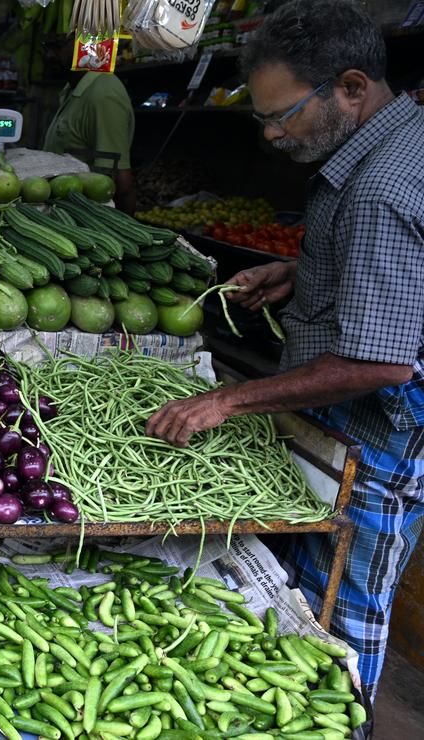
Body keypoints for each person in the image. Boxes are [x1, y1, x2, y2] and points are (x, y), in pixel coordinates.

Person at [144, 0, 424, 700]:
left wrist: (227, 398)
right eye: (260, 118)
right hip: (356, 425)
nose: (269, 135)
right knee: (301, 606)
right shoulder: (394, 144)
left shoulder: (382, 187)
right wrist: (303, 270)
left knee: (342, 621)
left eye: (281, 114)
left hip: (378, 440)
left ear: (352, 87)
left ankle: (340, 717)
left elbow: (381, 362)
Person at [41, 36, 137, 213]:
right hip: (62, 216)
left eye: (58, 46)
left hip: (86, 223)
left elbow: (119, 184)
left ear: (87, 43)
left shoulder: (104, 95)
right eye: (46, 46)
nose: (49, 55)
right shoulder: (71, 89)